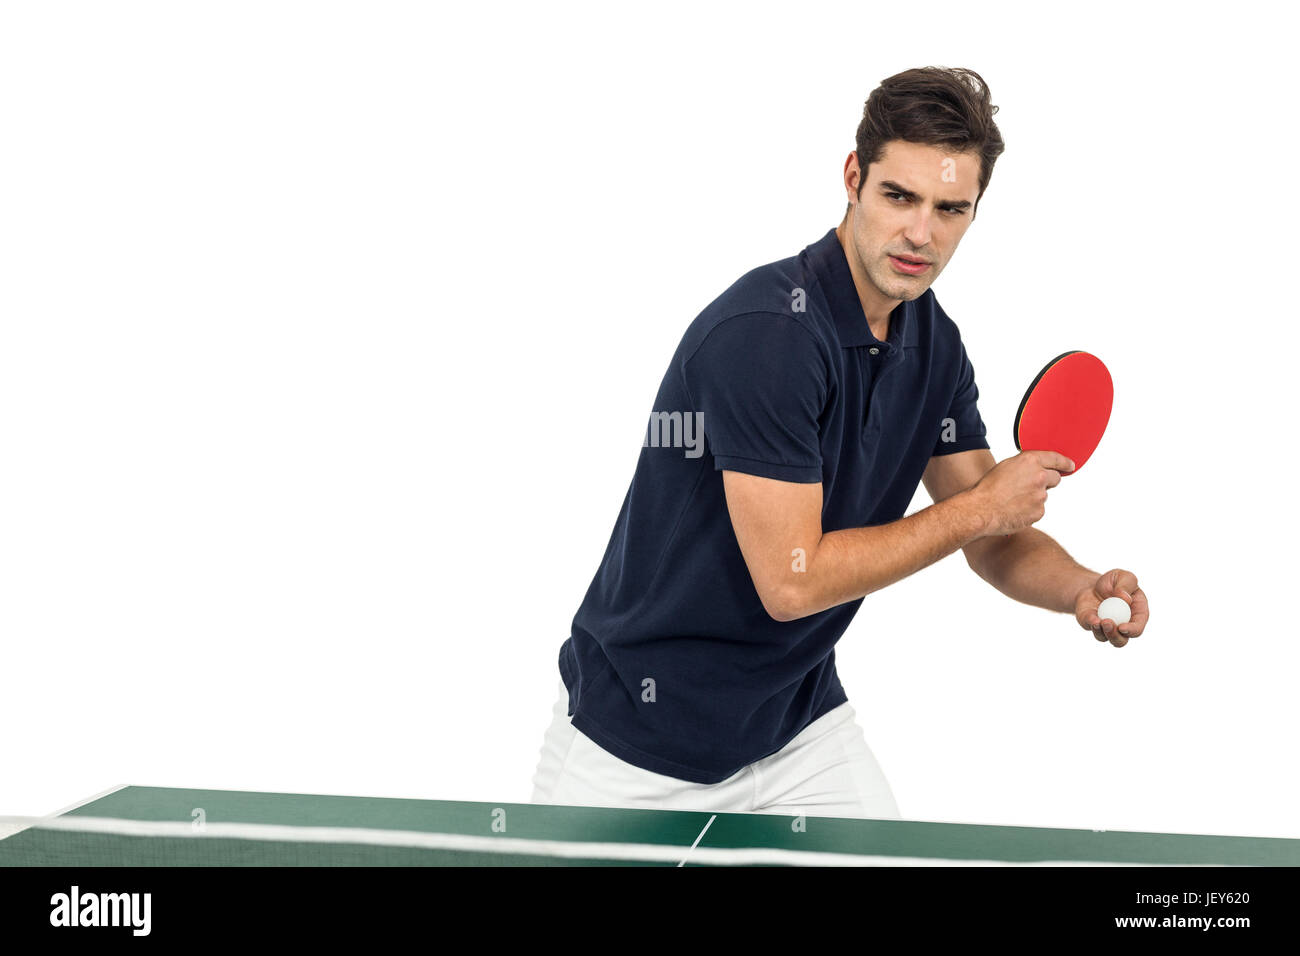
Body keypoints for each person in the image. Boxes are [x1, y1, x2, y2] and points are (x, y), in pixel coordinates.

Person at [530, 66, 1150, 820]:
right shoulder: (768, 337)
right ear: (854, 177)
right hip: (636, 739)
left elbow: (993, 536)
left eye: (951, 208)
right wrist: (980, 511)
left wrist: (1078, 589)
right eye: (900, 196)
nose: (922, 233)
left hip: (795, 727)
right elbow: (792, 584)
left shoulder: (935, 345)